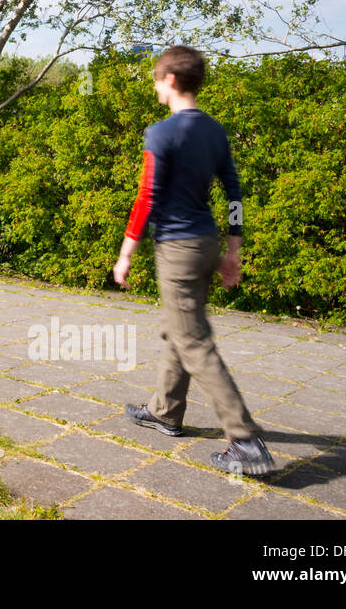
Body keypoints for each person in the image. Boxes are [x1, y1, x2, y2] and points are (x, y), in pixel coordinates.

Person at [112, 45, 274, 476]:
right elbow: (234, 192)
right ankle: (164, 411)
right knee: (178, 329)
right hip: (206, 242)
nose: (154, 85)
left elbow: (146, 197)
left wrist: (126, 253)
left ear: (168, 80)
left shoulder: (160, 133)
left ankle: (246, 442)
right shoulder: (215, 131)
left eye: (154, 77)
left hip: (178, 249)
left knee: (194, 341)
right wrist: (233, 248)